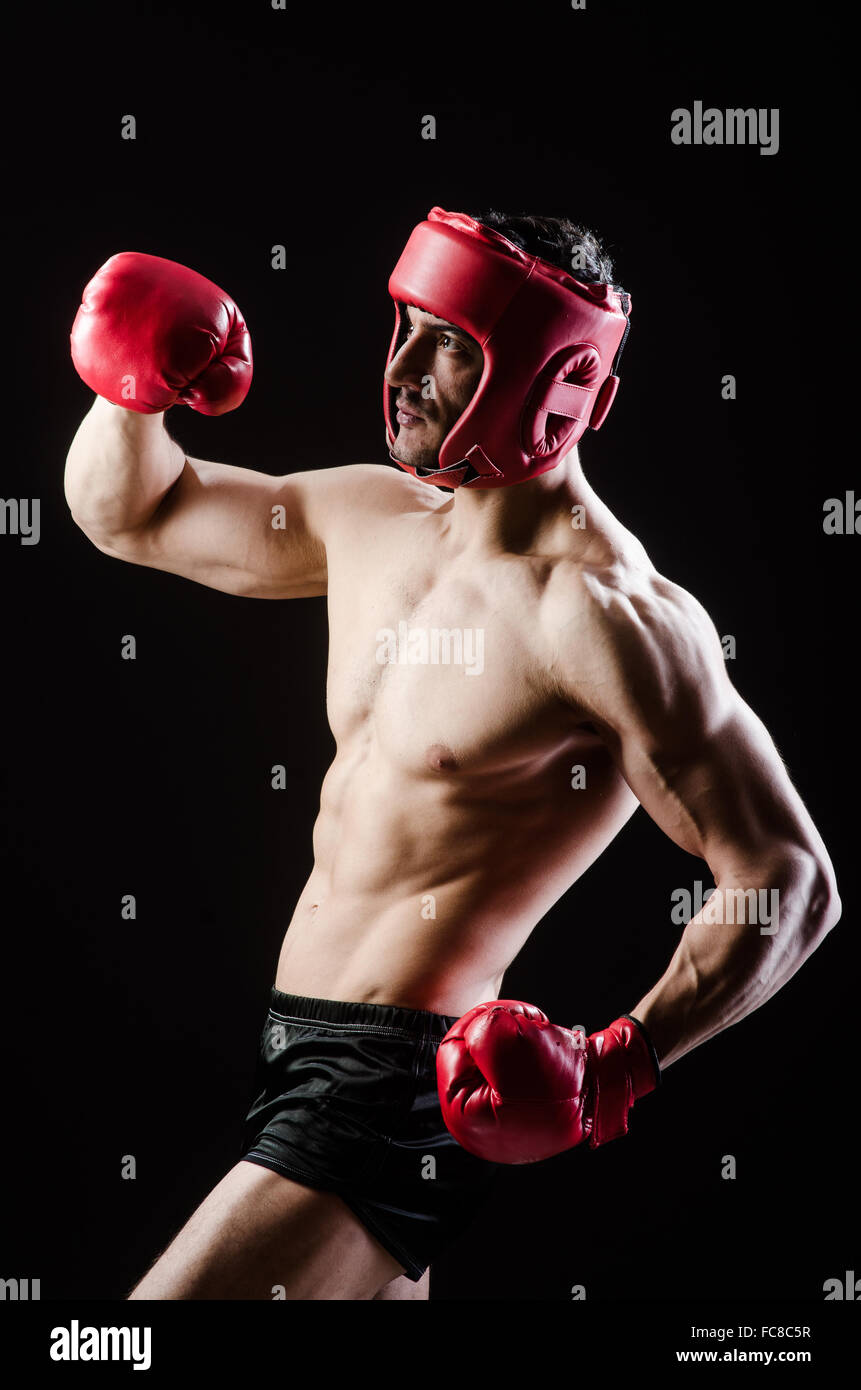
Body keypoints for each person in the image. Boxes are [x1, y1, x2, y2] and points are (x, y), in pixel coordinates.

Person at [64, 208, 841, 1301]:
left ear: (561, 384)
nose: (410, 372)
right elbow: (139, 513)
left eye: (457, 345)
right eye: (411, 327)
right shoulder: (374, 518)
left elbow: (790, 879)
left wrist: (615, 1065)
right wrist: (127, 390)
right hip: (298, 1055)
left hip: (388, 1097)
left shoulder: (607, 615)